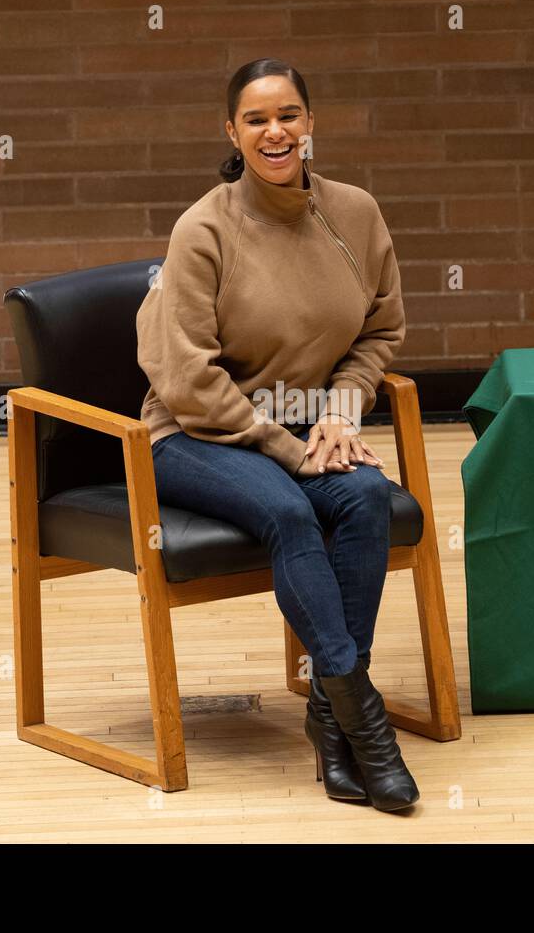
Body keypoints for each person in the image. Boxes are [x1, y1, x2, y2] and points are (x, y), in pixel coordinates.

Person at [135, 58, 417, 812]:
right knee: (291, 511)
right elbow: (188, 378)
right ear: (233, 132)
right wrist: (290, 450)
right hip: (198, 434)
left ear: (311, 124)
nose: (275, 131)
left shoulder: (354, 212)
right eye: (257, 119)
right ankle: (363, 718)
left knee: (363, 498)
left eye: (289, 114)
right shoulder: (203, 228)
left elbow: (381, 328)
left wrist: (340, 411)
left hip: (306, 426)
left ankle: (329, 720)